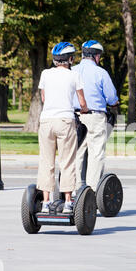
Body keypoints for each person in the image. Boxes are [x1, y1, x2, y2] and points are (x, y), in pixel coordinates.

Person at [37, 42, 88, 213]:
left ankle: (45, 203)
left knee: (46, 162)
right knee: (67, 162)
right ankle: (67, 203)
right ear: (70, 59)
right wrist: (84, 109)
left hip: (46, 121)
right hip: (65, 121)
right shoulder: (74, 75)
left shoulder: (45, 74)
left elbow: (44, 98)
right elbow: (82, 102)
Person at [72, 40, 119, 191]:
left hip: (74, 117)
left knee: (76, 153)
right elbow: (111, 98)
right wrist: (114, 103)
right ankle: (90, 193)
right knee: (96, 154)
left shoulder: (71, 71)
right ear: (96, 56)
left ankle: (74, 190)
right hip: (95, 117)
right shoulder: (101, 73)